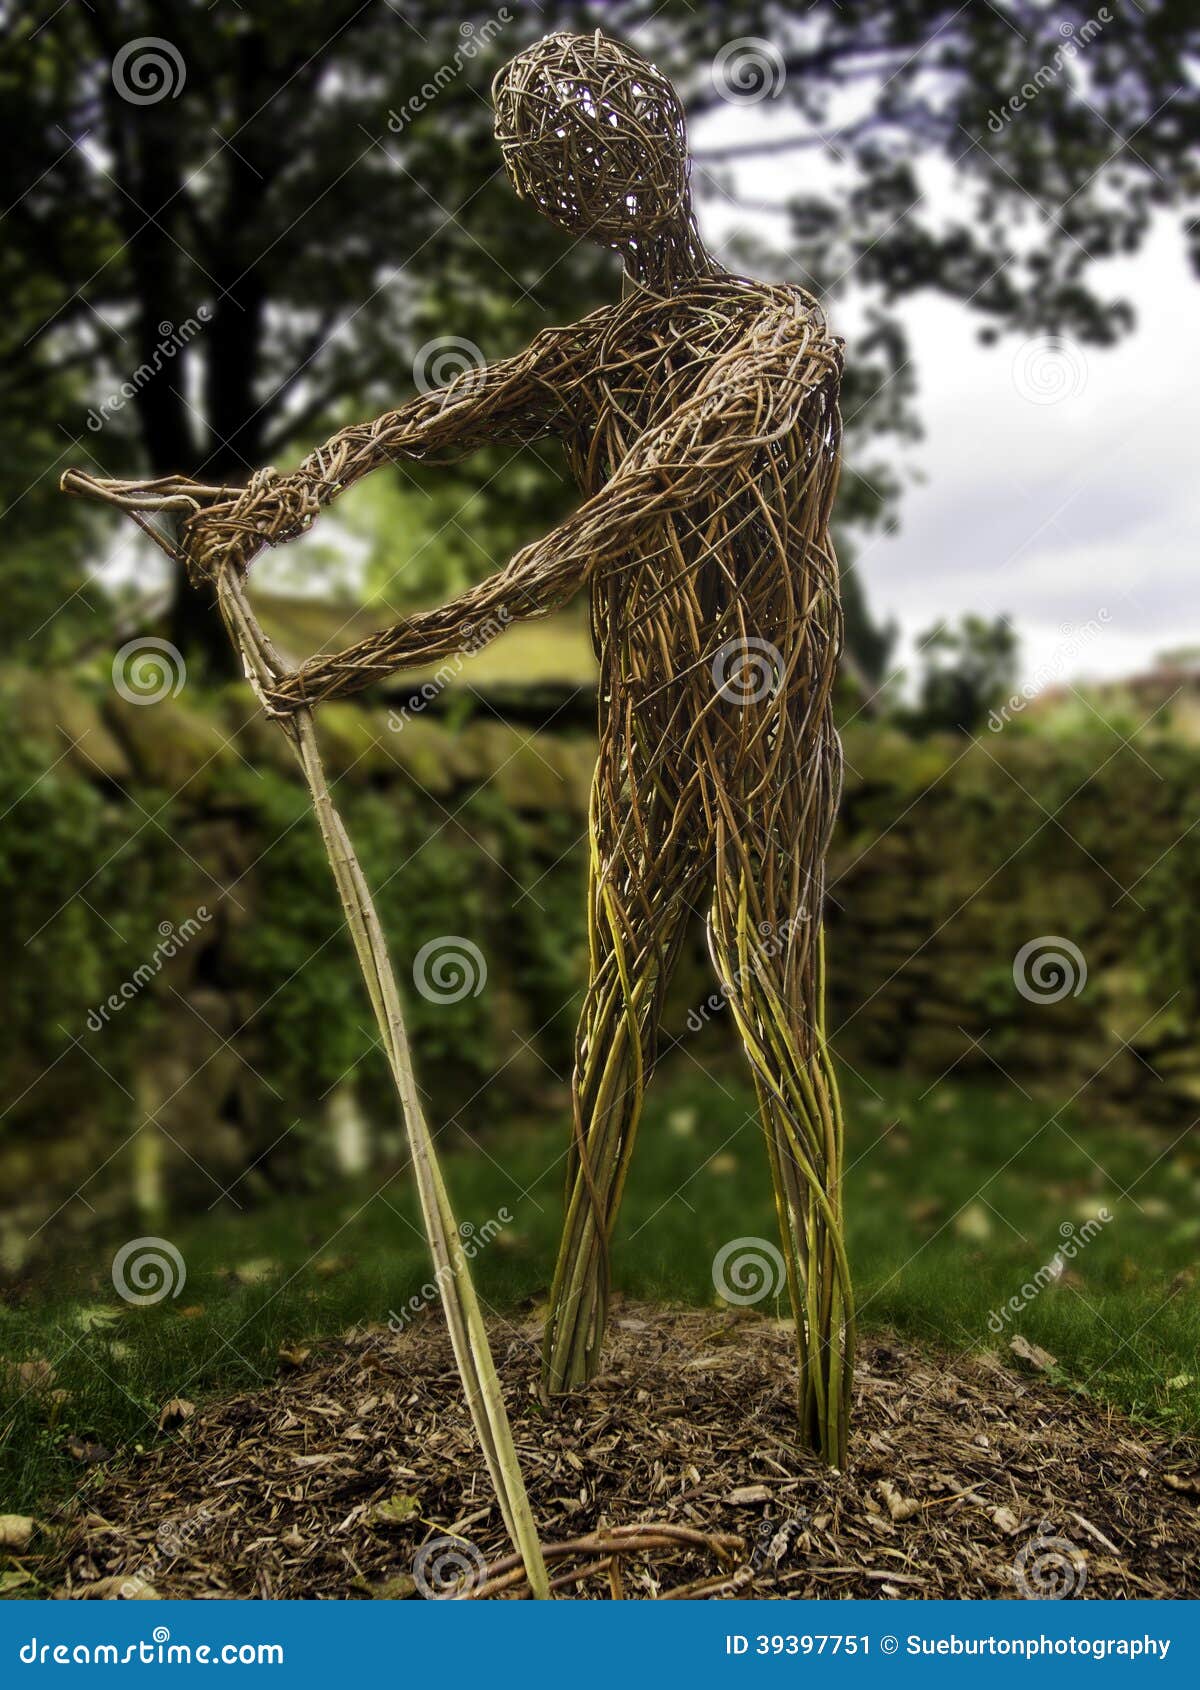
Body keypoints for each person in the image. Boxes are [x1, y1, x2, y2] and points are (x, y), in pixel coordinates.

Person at [181, 29, 854, 1464]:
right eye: (553, 164)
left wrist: (403, 643)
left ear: (663, 135)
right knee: (611, 1000)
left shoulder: (777, 333)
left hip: (761, 723)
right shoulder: (594, 351)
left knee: (766, 987)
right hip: (645, 731)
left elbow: (642, 500)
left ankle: (824, 1384)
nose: (587, 176)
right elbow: (425, 421)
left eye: (600, 143)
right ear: (543, 196)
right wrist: (279, 493)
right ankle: (567, 1343)